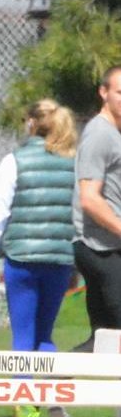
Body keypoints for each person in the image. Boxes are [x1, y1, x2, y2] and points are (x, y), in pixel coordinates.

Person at [0, 99, 78, 417]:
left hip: (21, 258)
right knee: (45, 335)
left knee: (23, 335)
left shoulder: (14, 160)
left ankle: (25, 405)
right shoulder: (71, 162)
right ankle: (52, 399)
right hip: (59, 259)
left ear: (31, 123)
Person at [72, 65, 121, 351]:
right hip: (99, 248)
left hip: (107, 247)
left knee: (104, 340)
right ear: (104, 93)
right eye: (119, 92)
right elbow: (89, 198)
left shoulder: (114, 133)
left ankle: (51, 384)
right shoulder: (100, 134)